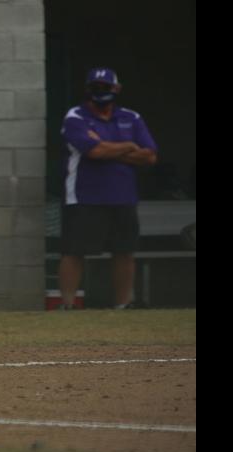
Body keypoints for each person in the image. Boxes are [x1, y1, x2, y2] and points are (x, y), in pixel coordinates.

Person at [57, 67, 158, 310]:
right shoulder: (76, 117)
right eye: (96, 87)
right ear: (88, 89)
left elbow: (150, 156)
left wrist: (108, 148)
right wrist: (128, 146)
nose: (101, 92)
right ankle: (67, 305)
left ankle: (123, 305)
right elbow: (94, 151)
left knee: (124, 251)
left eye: (106, 87)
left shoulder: (131, 117)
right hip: (84, 195)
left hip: (123, 195)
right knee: (75, 251)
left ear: (117, 89)